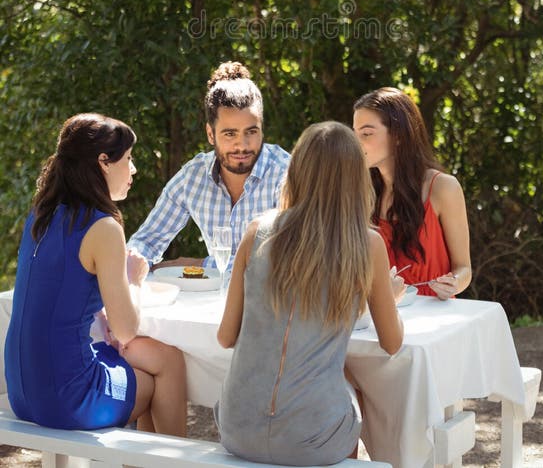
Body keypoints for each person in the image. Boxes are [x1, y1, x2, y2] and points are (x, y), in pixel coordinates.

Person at [215, 121, 403, 466]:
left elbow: (226, 337)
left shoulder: (257, 231)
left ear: (297, 170)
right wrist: (387, 294)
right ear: (355, 178)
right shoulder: (367, 243)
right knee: (352, 392)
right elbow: (392, 343)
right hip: (312, 439)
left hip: (236, 429)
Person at [4, 113, 187, 434]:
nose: (133, 169)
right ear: (104, 162)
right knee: (168, 362)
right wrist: (133, 278)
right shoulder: (103, 227)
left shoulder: (41, 214)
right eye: (127, 159)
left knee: (147, 360)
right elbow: (127, 330)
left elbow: (64, 289)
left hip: (23, 392)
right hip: (68, 398)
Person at [128, 62, 289, 269]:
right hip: (214, 299)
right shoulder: (193, 177)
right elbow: (146, 241)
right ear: (210, 134)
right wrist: (133, 264)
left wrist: (200, 264)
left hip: (273, 300)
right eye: (230, 134)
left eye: (251, 131)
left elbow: (291, 262)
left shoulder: (287, 175)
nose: (242, 145)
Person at [353, 87, 471, 300]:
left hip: (434, 318)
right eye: (355, 134)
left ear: (398, 135)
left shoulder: (443, 188)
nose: (356, 142)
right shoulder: (361, 191)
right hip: (381, 318)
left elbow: (464, 269)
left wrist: (453, 283)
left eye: (367, 134)